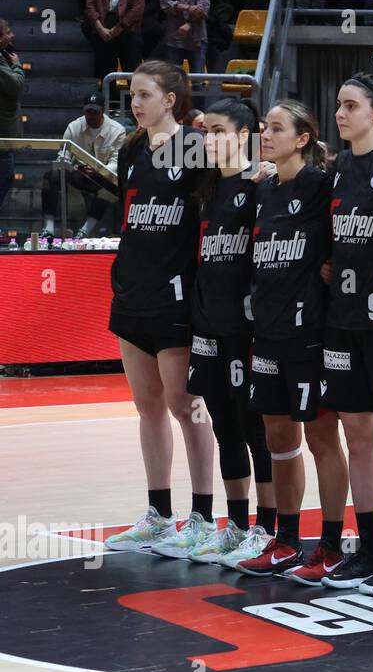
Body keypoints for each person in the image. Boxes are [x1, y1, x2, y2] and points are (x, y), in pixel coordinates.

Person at [155, 97, 275, 564]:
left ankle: (267, 529)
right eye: (205, 131)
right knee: (224, 426)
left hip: (248, 330)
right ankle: (236, 525)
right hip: (209, 326)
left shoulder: (261, 185)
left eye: (219, 130)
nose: (208, 140)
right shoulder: (207, 187)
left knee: (255, 430)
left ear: (244, 135)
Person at [103, 61, 216, 552]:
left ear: (171, 99)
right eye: (132, 95)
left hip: (176, 297)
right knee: (147, 407)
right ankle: (158, 514)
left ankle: (205, 517)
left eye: (145, 94)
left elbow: (248, 162)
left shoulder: (195, 146)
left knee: (185, 406)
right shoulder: (130, 148)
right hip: (132, 294)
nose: (135, 103)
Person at [235, 100, 351, 577]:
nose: (265, 134)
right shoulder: (262, 191)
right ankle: (284, 541)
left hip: (311, 336)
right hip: (267, 331)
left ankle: (330, 543)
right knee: (278, 438)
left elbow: (351, 237)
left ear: (303, 139)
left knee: (323, 437)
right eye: (264, 127)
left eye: (276, 128)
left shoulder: (323, 186)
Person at [309, 72, 373, 589]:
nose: (340, 113)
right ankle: (371, 547)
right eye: (338, 104)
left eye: (351, 105)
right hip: (342, 319)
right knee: (357, 434)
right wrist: (329, 264)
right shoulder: (337, 167)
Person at [42, 92, 126, 237]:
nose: (91, 116)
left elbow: (116, 162)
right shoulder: (74, 127)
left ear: (103, 110)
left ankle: (85, 231)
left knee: (113, 184)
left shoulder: (117, 131)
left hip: (103, 176)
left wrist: (99, 170)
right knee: (52, 174)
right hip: (78, 173)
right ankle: (48, 227)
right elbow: (63, 157)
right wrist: (75, 168)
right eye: (88, 111)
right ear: (83, 110)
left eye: (95, 112)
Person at [0, 22, 25, 213]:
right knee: (6, 175)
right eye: (8, 33)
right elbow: (15, 86)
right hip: (2, 134)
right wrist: (17, 65)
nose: (13, 35)